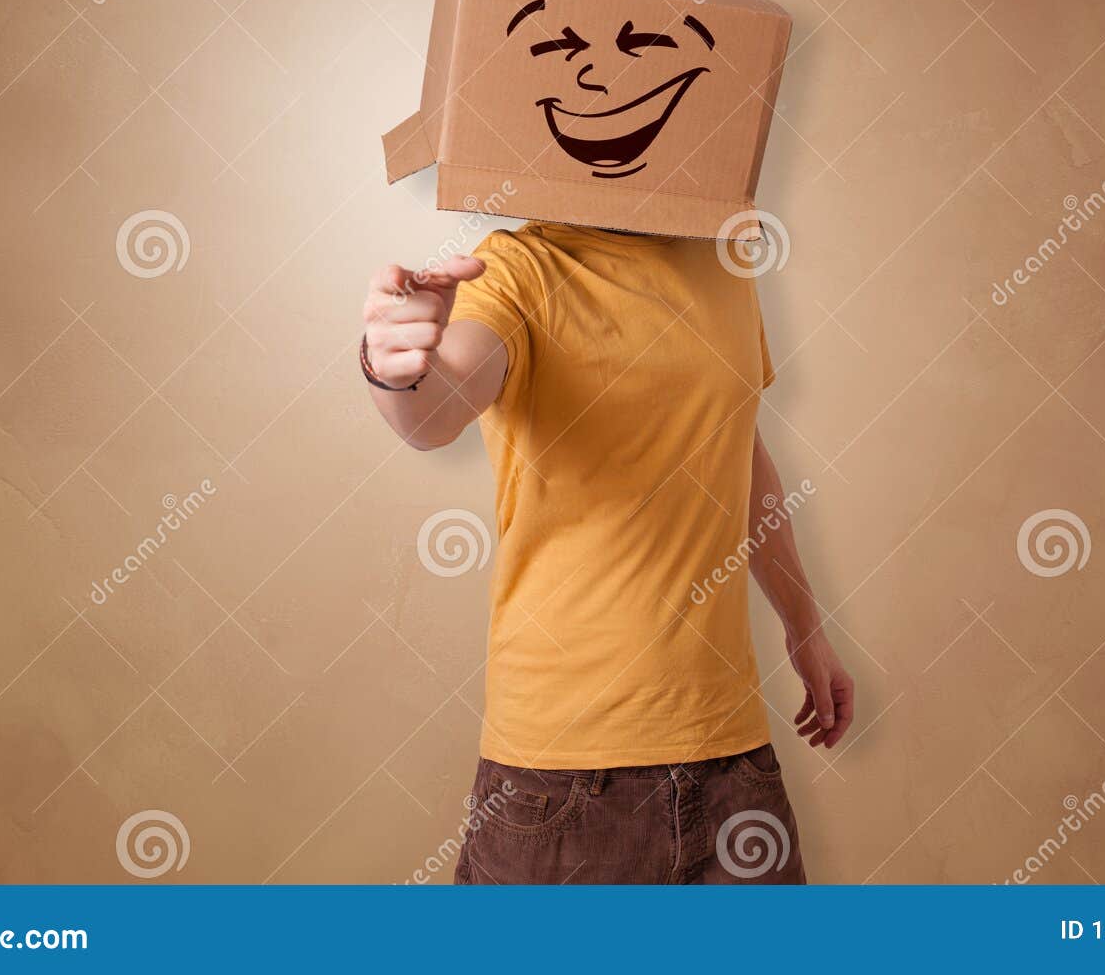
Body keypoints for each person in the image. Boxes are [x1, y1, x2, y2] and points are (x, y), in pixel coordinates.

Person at [361, 220, 853, 884]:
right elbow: (435, 410)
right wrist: (393, 370)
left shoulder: (724, 260)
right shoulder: (513, 267)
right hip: (560, 782)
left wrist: (805, 624)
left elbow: (737, 443)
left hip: (733, 759)